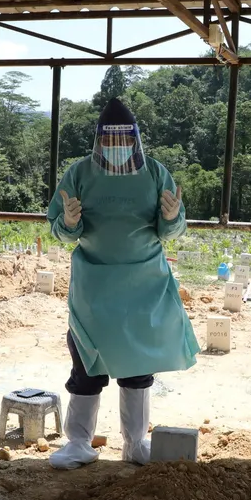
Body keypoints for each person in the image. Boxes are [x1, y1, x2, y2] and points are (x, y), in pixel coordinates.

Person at [46, 98, 199, 470]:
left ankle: (135, 442)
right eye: (109, 141)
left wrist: (173, 216)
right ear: (99, 140)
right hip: (94, 289)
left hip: (142, 286)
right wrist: (67, 221)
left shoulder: (155, 173)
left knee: (137, 367)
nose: (116, 149)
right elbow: (60, 231)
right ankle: (79, 442)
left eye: (123, 140)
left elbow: (172, 231)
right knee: (86, 366)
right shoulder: (79, 173)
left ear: (135, 140)